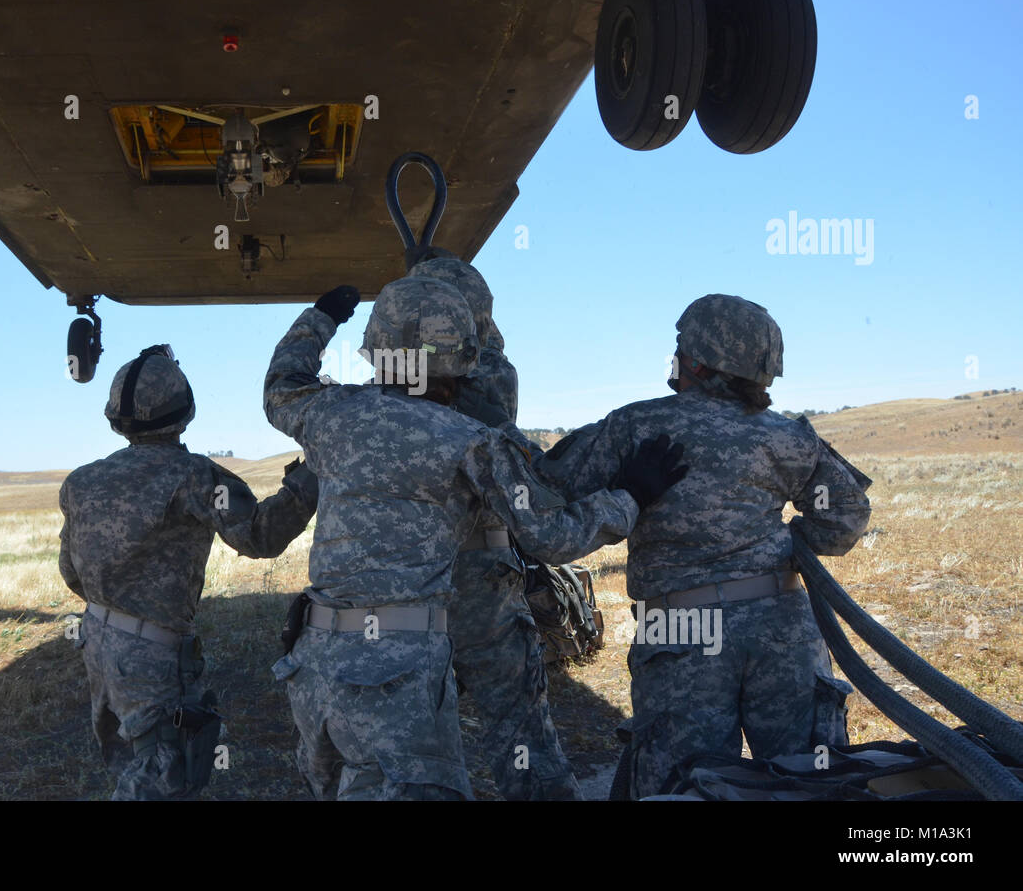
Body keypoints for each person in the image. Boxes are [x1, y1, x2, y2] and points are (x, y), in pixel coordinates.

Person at [264, 279, 685, 800]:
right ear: (465, 357)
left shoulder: (329, 415)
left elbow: (282, 384)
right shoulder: (471, 443)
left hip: (314, 662)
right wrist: (630, 498)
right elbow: (551, 537)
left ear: (376, 347)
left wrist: (320, 317)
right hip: (398, 670)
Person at [536, 294, 871, 799]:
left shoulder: (635, 425)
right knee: (810, 780)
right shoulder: (789, 438)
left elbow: (548, 491)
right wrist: (786, 543)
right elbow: (845, 520)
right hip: (784, 627)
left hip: (679, 630)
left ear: (692, 359)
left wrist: (625, 495)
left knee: (681, 784)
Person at [59, 344, 319, 800]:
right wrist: (311, 477)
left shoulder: (81, 481)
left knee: (129, 764)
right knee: (166, 774)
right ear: (185, 409)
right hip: (151, 655)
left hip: (97, 641)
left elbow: (71, 572)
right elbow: (260, 536)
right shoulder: (194, 476)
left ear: (116, 417)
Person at [408, 254, 578, 800]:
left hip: (412, 577)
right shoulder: (490, 372)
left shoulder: (394, 381)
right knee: (517, 723)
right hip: (481, 575)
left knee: (415, 733)